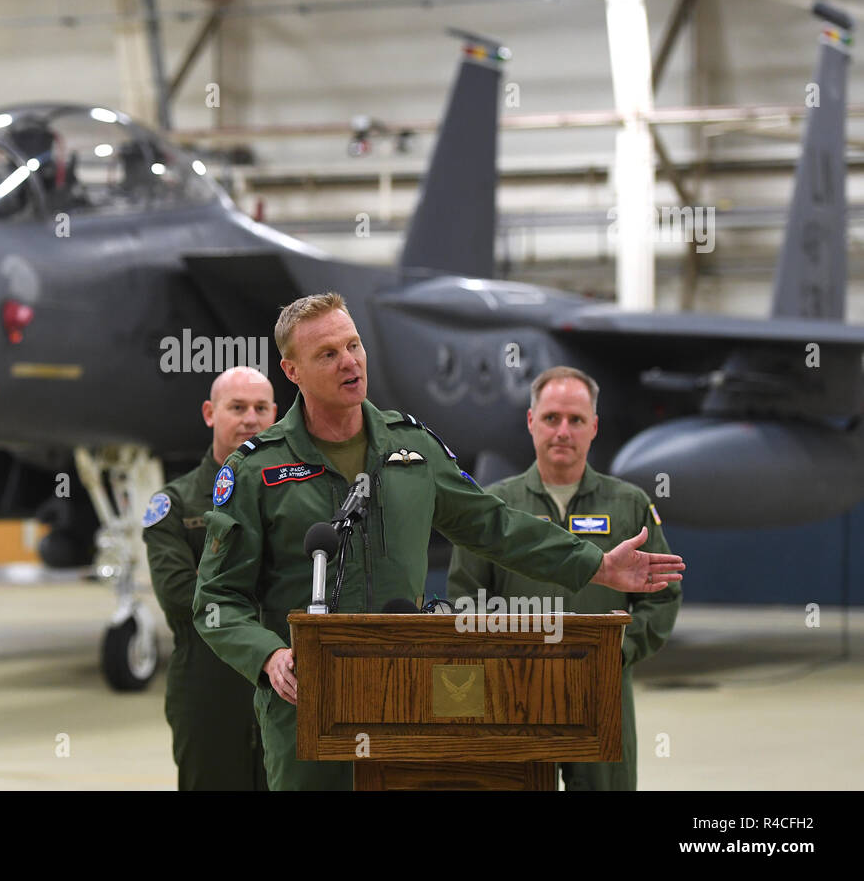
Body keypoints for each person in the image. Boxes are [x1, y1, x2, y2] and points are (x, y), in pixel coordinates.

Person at [193, 293, 685, 791]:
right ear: (292, 371)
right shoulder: (257, 471)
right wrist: (268, 656)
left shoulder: (413, 451)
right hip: (306, 706)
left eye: (354, 345)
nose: (349, 361)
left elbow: (496, 526)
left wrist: (594, 565)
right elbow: (217, 600)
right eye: (327, 354)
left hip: (405, 697)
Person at [447, 365, 681, 791]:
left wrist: (618, 651)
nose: (563, 431)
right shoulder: (494, 507)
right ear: (531, 421)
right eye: (552, 418)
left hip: (601, 692)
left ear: (594, 427)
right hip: (514, 697)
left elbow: (662, 597)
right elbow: (466, 597)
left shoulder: (629, 505)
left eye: (576, 420)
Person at [142, 366, 276, 791]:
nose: (250, 419)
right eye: (236, 407)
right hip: (207, 689)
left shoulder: (297, 495)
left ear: (275, 414)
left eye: (260, 408)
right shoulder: (174, 505)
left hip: (285, 687)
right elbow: (180, 597)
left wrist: (220, 577)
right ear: (209, 413)